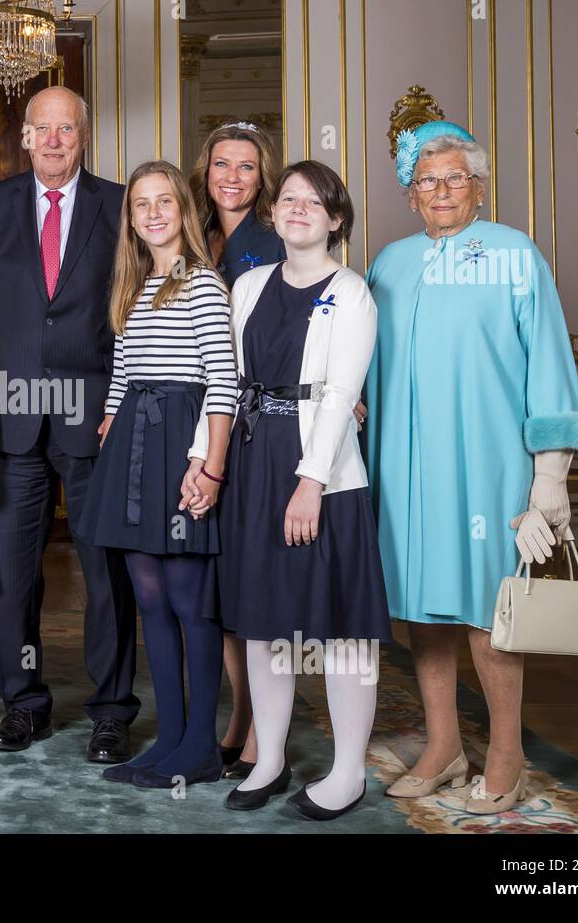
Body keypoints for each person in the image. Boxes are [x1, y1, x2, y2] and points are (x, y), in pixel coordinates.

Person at [365, 121, 578, 814]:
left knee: (491, 610)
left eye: (455, 177)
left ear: (479, 187)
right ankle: (443, 745)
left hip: (488, 464)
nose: (441, 190)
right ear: (410, 196)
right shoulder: (389, 263)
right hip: (406, 467)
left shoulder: (514, 254)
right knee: (423, 606)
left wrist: (549, 475)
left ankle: (505, 752)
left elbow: (551, 365)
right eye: (427, 180)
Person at [190, 160, 390, 820]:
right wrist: (204, 459)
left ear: (336, 219)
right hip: (252, 461)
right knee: (264, 622)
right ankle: (269, 758)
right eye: (289, 199)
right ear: (274, 215)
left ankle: (348, 773)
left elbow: (341, 396)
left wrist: (311, 481)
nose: (297, 208)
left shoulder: (352, 292)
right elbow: (224, 380)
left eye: (315, 201)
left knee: (342, 627)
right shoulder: (246, 285)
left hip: (320, 473)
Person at [0, 85, 139, 763]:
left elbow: (136, 313)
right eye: (43, 129)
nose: (55, 141)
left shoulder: (118, 205)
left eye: (67, 129)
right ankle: (23, 704)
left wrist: (121, 405)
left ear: (83, 135)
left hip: (94, 419)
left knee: (106, 573)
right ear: (24, 136)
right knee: (13, 575)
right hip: (12, 419)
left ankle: (113, 712)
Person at [77, 160, 236, 790]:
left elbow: (221, 381)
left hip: (182, 437)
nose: (152, 212)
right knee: (147, 597)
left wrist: (211, 466)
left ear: (184, 210)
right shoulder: (134, 284)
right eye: (141, 204)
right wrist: (112, 419)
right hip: (134, 439)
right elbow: (123, 365)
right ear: (131, 217)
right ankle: (169, 736)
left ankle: (200, 744)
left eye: (164, 201)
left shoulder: (202, 284)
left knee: (189, 599)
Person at [188, 120, 285, 777]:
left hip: (255, 422)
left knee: (257, 581)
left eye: (246, 166)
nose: (232, 176)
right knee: (217, 584)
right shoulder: (192, 231)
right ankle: (239, 714)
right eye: (222, 164)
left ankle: (261, 731)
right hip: (195, 418)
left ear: (262, 175)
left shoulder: (276, 237)